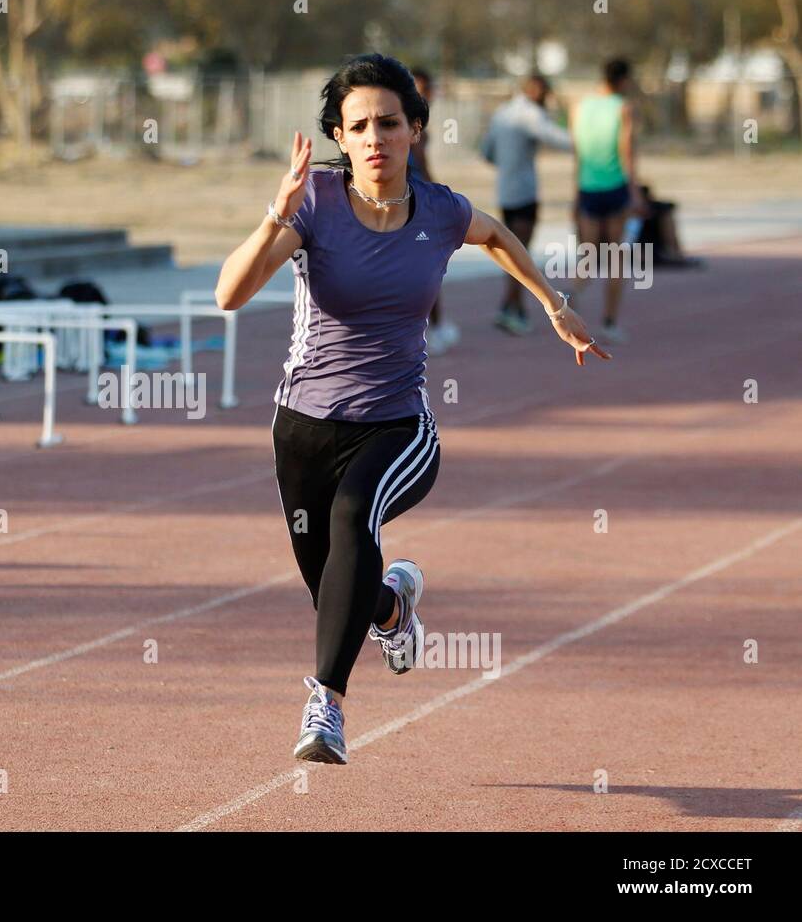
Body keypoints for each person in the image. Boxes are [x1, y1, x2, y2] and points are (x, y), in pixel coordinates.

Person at [214, 53, 609, 765]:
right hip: (301, 428)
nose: (374, 138)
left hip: (397, 427)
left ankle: (325, 706)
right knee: (338, 581)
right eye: (358, 125)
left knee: (350, 519)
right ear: (339, 134)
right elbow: (229, 295)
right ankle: (394, 607)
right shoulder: (314, 204)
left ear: (415, 129)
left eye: (389, 123)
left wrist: (556, 305)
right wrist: (277, 208)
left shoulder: (441, 210)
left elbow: (494, 234)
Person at [479, 74, 575, 334]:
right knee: (519, 256)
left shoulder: (502, 113)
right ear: (536, 90)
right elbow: (560, 139)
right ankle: (507, 307)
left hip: (504, 193)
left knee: (512, 251)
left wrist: (507, 161)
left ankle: (517, 309)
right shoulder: (531, 113)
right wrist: (587, 142)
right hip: (525, 193)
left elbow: (486, 151)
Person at [571, 58, 647, 344]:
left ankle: (567, 307)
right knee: (616, 257)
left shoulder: (580, 107)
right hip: (615, 187)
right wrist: (635, 192)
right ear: (624, 80)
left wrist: (576, 193)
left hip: (587, 188)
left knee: (588, 257)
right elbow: (626, 151)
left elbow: (577, 153)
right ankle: (610, 323)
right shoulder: (624, 108)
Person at [407, 67, 460, 355]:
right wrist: (438, 197)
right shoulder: (410, 127)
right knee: (429, 266)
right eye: (420, 90)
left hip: (413, 202)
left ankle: (432, 328)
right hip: (410, 205)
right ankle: (434, 330)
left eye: (428, 90)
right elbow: (423, 169)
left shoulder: (415, 127)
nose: (426, 95)